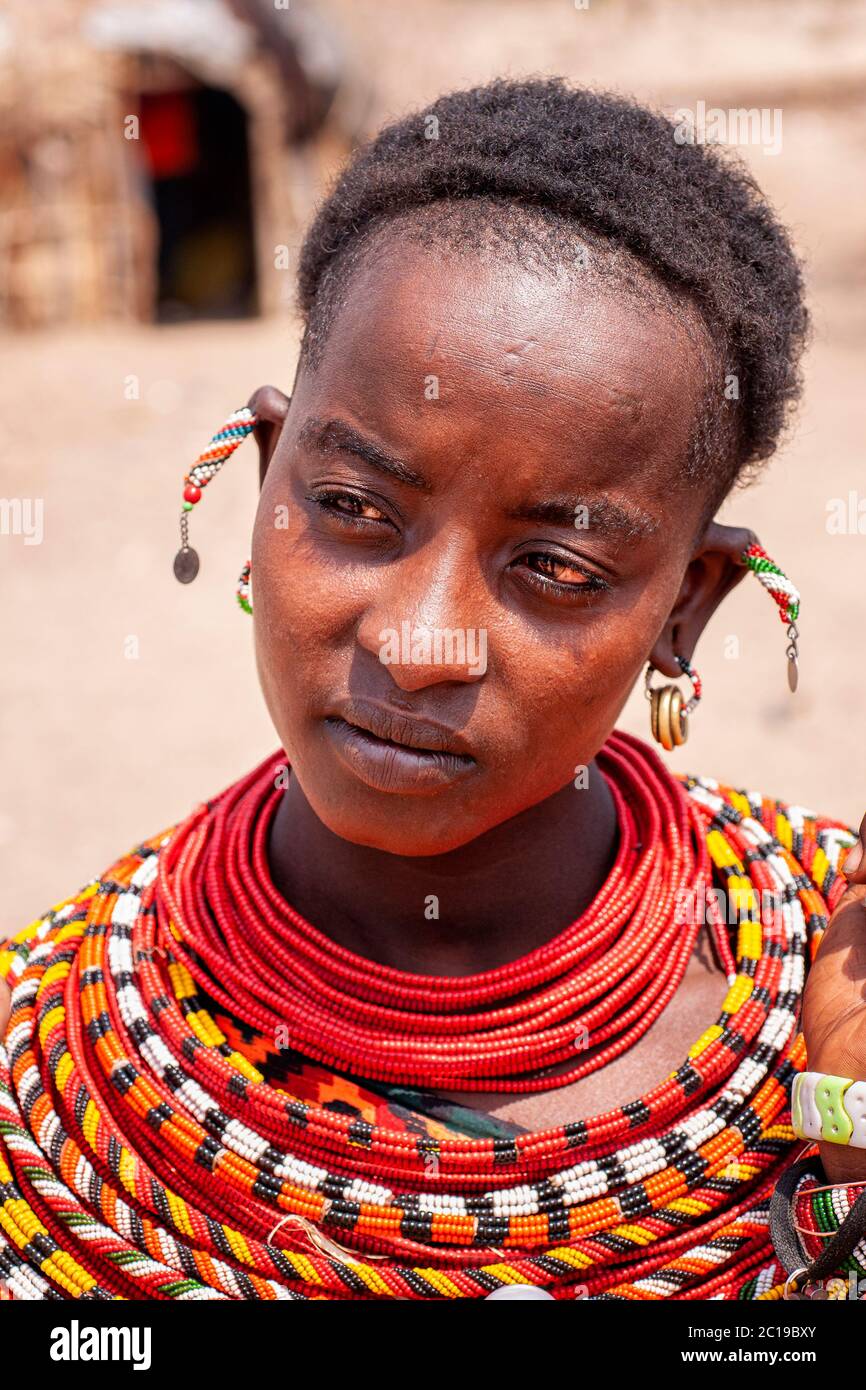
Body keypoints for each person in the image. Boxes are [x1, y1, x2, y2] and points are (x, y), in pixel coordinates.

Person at [2, 78, 865, 1302]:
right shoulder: (42, 1075)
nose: (417, 644)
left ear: (685, 605)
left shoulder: (835, 970)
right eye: (354, 510)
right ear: (262, 489)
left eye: (554, 569)